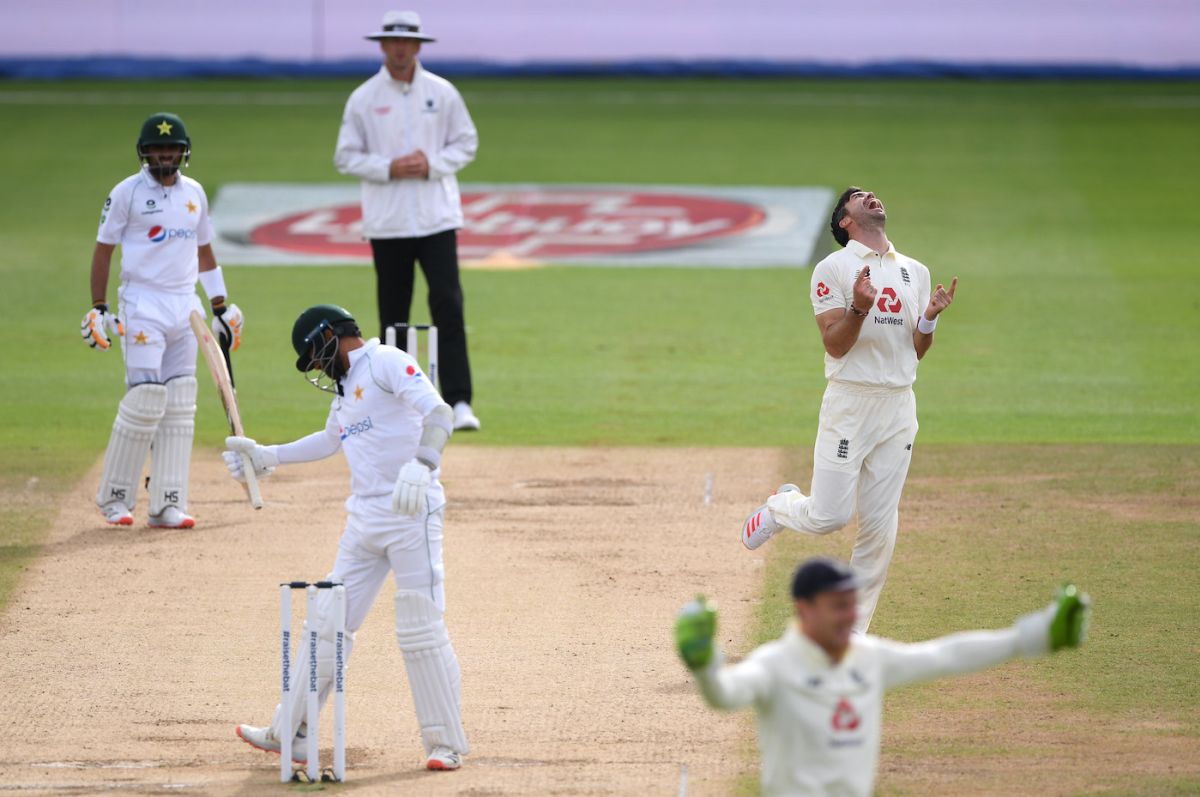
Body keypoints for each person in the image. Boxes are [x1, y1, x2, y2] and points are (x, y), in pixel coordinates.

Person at [230, 304, 468, 772]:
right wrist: (266, 456)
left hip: (410, 510)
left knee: (420, 625)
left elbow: (439, 413)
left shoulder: (384, 361)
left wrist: (424, 464)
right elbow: (328, 440)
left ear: (332, 335)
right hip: (363, 520)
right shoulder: (343, 395)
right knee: (326, 617)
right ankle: (293, 731)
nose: (317, 366)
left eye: (316, 354)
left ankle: (446, 743)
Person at [675, 557, 1091, 797]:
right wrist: (705, 664)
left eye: (852, 604)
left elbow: (943, 655)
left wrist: (1033, 635)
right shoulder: (775, 663)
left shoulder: (869, 657)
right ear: (804, 609)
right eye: (837, 605)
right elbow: (725, 695)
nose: (850, 616)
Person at [741, 187, 957, 632]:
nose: (872, 196)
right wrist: (859, 307)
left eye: (872, 193)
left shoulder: (914, 271)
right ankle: (781, 507)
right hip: (850, 402)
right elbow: (835, 345)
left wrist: (930, 318)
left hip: (899, 406)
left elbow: (915, 350)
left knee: (880, 529)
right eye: (860, 197)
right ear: (845, 221)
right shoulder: (832, 268)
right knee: (830, 516)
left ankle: (850, 636)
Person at [85, 111, 244, 529]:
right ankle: (115, 498)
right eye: (157, 148)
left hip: (183, 305)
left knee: (180, 401)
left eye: (171, 148)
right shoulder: (127, 194)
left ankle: (167, 502)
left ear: (183, 151)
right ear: (144, 152)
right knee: (146, 398)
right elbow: (104, 249)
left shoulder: (194, 193)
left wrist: (221, 305)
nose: (164, 155)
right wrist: (99, 306)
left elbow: (205, 251)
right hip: (142, 303)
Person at [334, 9, 481, 432]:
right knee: (393, 315)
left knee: (448, 305)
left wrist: (432, 163)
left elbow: (466, 142)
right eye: (392, 42)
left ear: (418, 46)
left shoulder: (442, 92)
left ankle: (459, 401)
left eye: (407, 42)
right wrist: (388, 167)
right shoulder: (364, 98)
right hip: (388, 222)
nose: (400, 49)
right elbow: (345, 155)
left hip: (436, 217)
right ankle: (395, 402)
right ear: (383, 46)